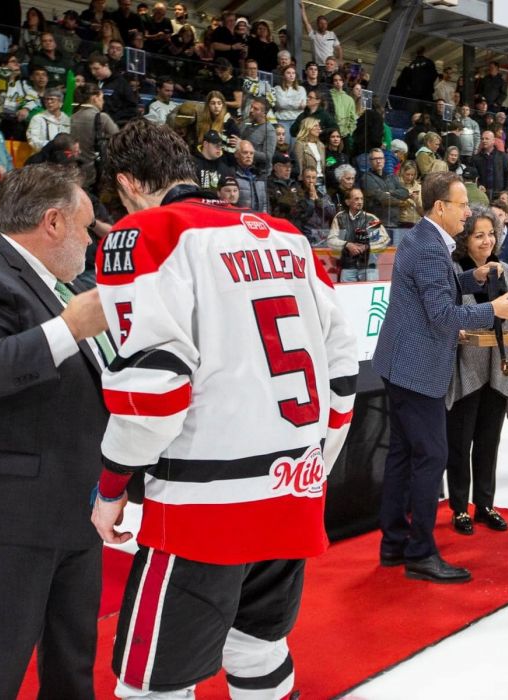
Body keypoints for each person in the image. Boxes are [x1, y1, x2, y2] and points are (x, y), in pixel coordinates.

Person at [90, 119, 358, 698]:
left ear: (129, 183)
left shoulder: (146, 233)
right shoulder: (287, 235)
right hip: (292, 489)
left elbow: (155, 387)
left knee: (150, 681)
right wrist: (311, 466)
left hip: (200, 507)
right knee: (258, 649)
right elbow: (343, 370)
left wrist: (112, 484)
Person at [0, 164, 112, 697]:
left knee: (73, 666)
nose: (93, 240)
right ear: (52, 223)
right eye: (87, 227)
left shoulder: (73, 283)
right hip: (7, 521)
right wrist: (66, 330)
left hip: (78, 509)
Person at [372, 171, 508, 584]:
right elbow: (442, 316)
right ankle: (420, 552)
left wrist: (467, 279)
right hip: (416, 369)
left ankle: (393, 544)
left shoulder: (424, 240)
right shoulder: (428, 247)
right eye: (461, 205)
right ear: (440, 207)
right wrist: (493, 310)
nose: (467, 213)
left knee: (404, 455)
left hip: (400, 365)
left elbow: (434, 291)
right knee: (431, 457)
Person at [446, 206, 508, 535]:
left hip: (499, 367)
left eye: (491, 234)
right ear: (465, 239)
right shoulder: (454, 271)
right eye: (479, 235)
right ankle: (458, 508)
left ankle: (484, 504)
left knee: (488, 441)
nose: (486, 241)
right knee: (459, 441)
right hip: (464, 367)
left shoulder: (505, 271)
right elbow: (445, 315)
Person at [327, 186, 389, 282]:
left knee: (368, 296)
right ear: (347, 202)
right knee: (347, 296)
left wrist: (367, 246)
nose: (360, 202)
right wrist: (347, 245)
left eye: (361, 199)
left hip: (368, 268)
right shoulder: (340, 218)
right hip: (348, 267)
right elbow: (331, 240)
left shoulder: (371, 218)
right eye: (356, 199)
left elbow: (385, 239)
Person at [71, 83, 121, 192]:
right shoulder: (102, 118)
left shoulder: (71, 118)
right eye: (102, 98)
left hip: (74, 172)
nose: (103, 101)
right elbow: (119, 141)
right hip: (96, 174)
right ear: (95, 98)